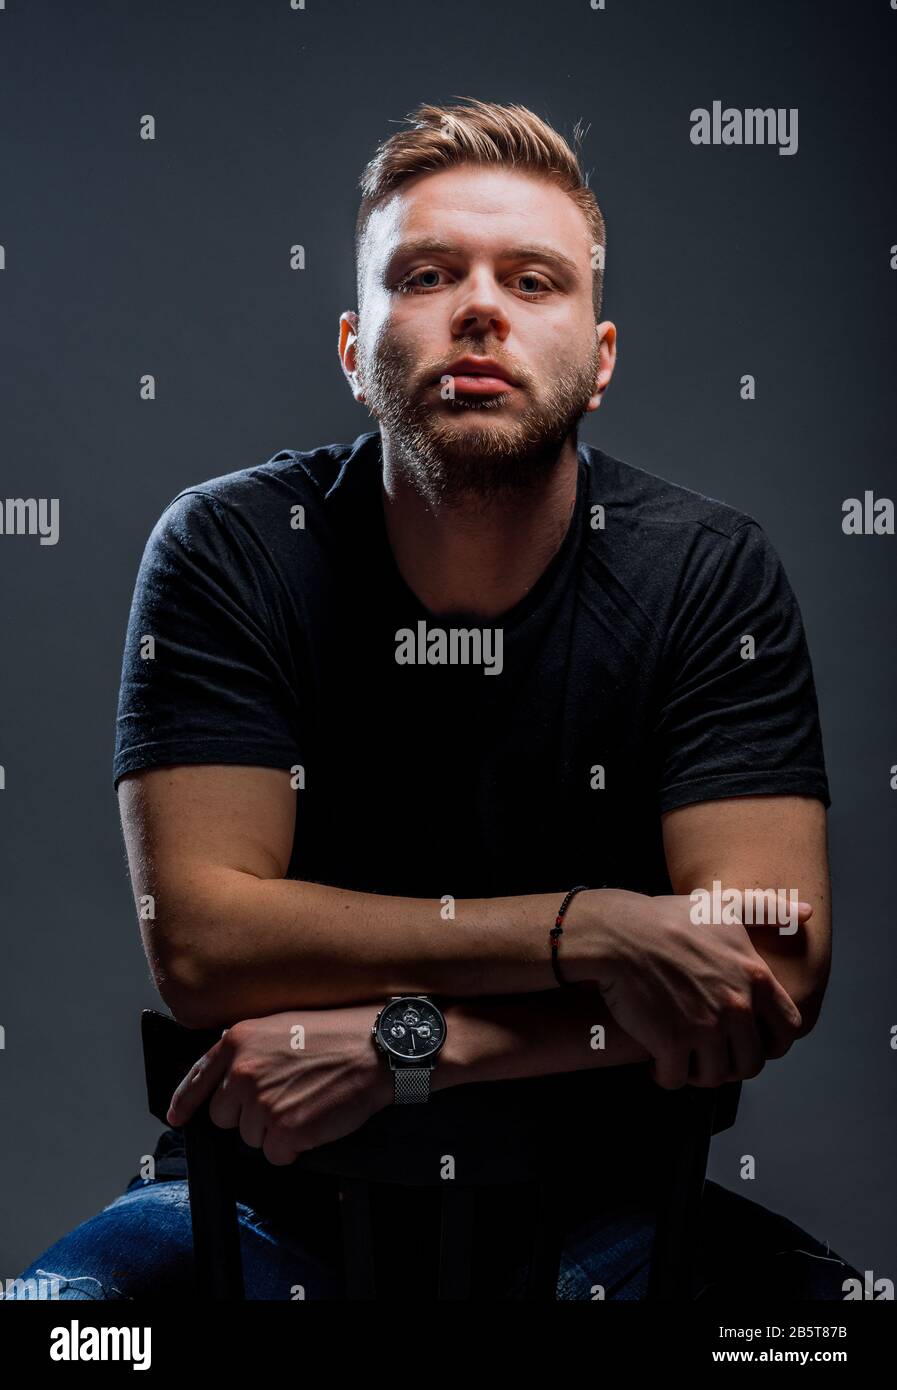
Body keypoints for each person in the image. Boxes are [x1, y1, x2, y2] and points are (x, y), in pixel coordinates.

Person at [4, 97, 861, 1301]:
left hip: (615, 1204)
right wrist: (594, 927)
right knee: (60, 1330)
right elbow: (202, 940)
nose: (480, 307)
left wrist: (415, 1049)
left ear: (600, 359)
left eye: (533, 279)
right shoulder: (232, 548)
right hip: (261, 1203)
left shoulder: (707, 572)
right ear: (355, 349)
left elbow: (772, 954)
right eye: (427, 273)